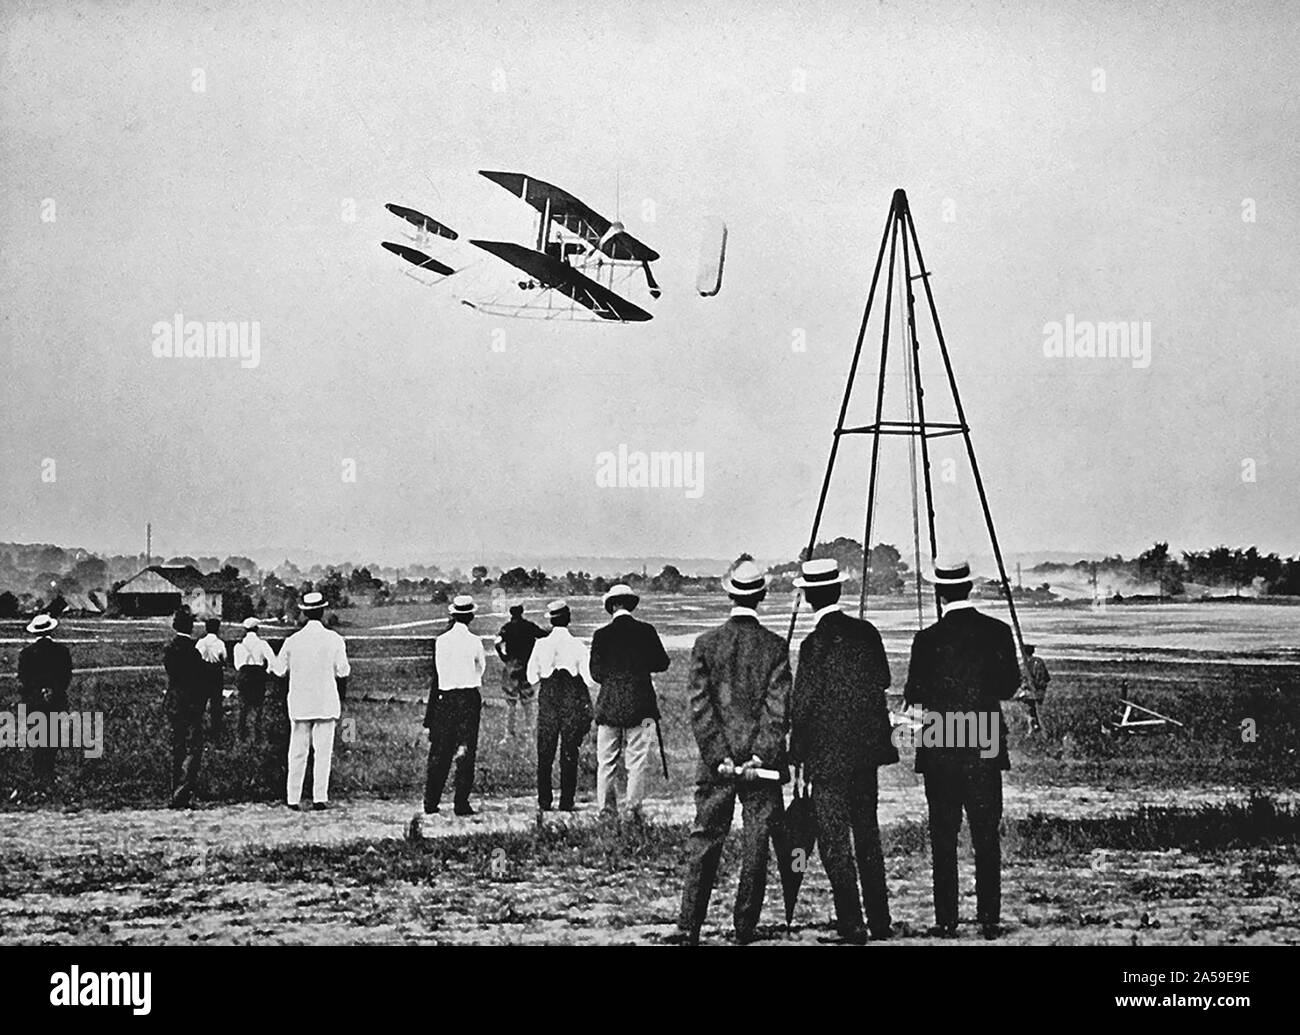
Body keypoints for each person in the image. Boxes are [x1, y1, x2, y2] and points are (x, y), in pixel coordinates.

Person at [673, 560, 790, 946]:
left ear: (729, 594)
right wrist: (759, 756)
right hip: (762, 767)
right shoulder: (775, 646)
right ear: (761, 596)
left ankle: (689, 927)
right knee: (757, 844)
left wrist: (718, 755)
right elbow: (778, 710)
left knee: (705, 839)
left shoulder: (706, 644)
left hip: (716, 765)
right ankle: (744, 930)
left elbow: (699, 706)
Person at [904, 557, 1020, 939]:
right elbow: (1007, 688)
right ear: (969, 588)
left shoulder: (926, 640)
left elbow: (915, 693)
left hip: (940, 739)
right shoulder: (998, 632)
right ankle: (989, 917)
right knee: (986, 834)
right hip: (983, 737)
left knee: (943, 836)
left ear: (939, 591)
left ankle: (946, 919)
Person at [789, 557, 897, 943]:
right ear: (838, 590)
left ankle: (852, 925)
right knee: (867, 834)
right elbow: (882, 680)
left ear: (808, 597)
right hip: (865, 756)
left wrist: (796, 753)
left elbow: (801, 707)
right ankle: (881, 922)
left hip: (826, 759)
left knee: (836, 844)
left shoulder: (812, 645)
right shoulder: (867, 633)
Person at [589, 583, 669, 819]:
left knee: (606, 761)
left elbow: (595, 673)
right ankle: (633, 809)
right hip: (642, 707)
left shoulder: (601, 635)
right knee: (637, 759)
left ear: (612, 606)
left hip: (609, 706)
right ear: (631, 605)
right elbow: (662, 663)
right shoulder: (647, 631)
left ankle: (606, 809)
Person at [272, 591, 350, 811]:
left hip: (300, 703)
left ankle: (293, 798)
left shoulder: (292, 641)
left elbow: (279, 670)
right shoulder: (334, 639)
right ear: (323, 611)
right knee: (323, 752)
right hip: (325, 703)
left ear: (304, 613)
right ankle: (319, 798)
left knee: (297, 751)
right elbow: (343, 671)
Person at [527, 599, 595, 812]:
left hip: (548, 697)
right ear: (569, 619)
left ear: (551, 621)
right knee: (569, 751)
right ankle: (567, 801)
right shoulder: (577, 645)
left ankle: (544, 801)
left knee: (545, 751)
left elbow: (531, 677)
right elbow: (590, 679)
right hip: (571, 699)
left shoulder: (541, 644)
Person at [423, 595, 486, 816]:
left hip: (445, 699)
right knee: (466, 751)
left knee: (440, 751)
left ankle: (431, 802)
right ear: (470, 616)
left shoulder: (441, 641)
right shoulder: (475, 641)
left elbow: (439, 673)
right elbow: (481, 668)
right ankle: (461, 803)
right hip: (468, 698)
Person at [15, 614, 72, 801]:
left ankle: (40, 778)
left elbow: (24, 678)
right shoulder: (62, 651)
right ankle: (49, 776)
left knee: (38, 740)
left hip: (35, 703)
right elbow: (66, 676)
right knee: (53, 740)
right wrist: (52, 690)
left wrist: (39, 691)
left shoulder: (27, 653)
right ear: (51, 629)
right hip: (56, 701)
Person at [163, 608, 208, 808]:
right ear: (191, 627)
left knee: (177, 746)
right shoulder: (194, 652)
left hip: (174, 702)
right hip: (191, 704)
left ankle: (174, 789)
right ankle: (183, 792)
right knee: (193, 747)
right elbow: (200, 681)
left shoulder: (170, 649)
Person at [495, 603, 546, 744]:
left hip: (511, 665)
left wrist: (503, 656)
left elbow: (497, 642)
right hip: (527, 665)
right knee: (528, 701)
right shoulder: (529, 626)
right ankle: (530, 734)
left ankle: (508, 734)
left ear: (511, 614)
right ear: (522, 612)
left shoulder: (507, 628)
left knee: (510, 702)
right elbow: (543, 636)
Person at [234, 616, 277, 741]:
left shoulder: (239, 646)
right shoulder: (262, 644)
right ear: (257, 629)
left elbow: (237, 666)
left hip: (244, 674)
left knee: (243, 706)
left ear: (245, 629)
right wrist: (266, 672)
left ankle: (241, 734)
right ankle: (257, 734)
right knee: (258, 706)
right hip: (258, 674)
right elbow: (272, 661)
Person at [195, 616, 228, 744]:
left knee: (200, 701)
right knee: (216, 703)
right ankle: (216, 731)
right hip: (215, 672)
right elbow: (223, 658)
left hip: (203, 672)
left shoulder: (200, 642)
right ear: (217, 629)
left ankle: (198, 728)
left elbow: (196, 657)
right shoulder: (220, 643)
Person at [1015, 644, 1051, 733]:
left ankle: (1033, 724)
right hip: (1039, 691)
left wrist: (1030, 686)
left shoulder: (1022, 664)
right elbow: (1046, 678)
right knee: (1032, 707)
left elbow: (1020, 680)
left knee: (1027, 705)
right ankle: (1034, 725)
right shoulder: (1039, 661)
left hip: (1032, 692)